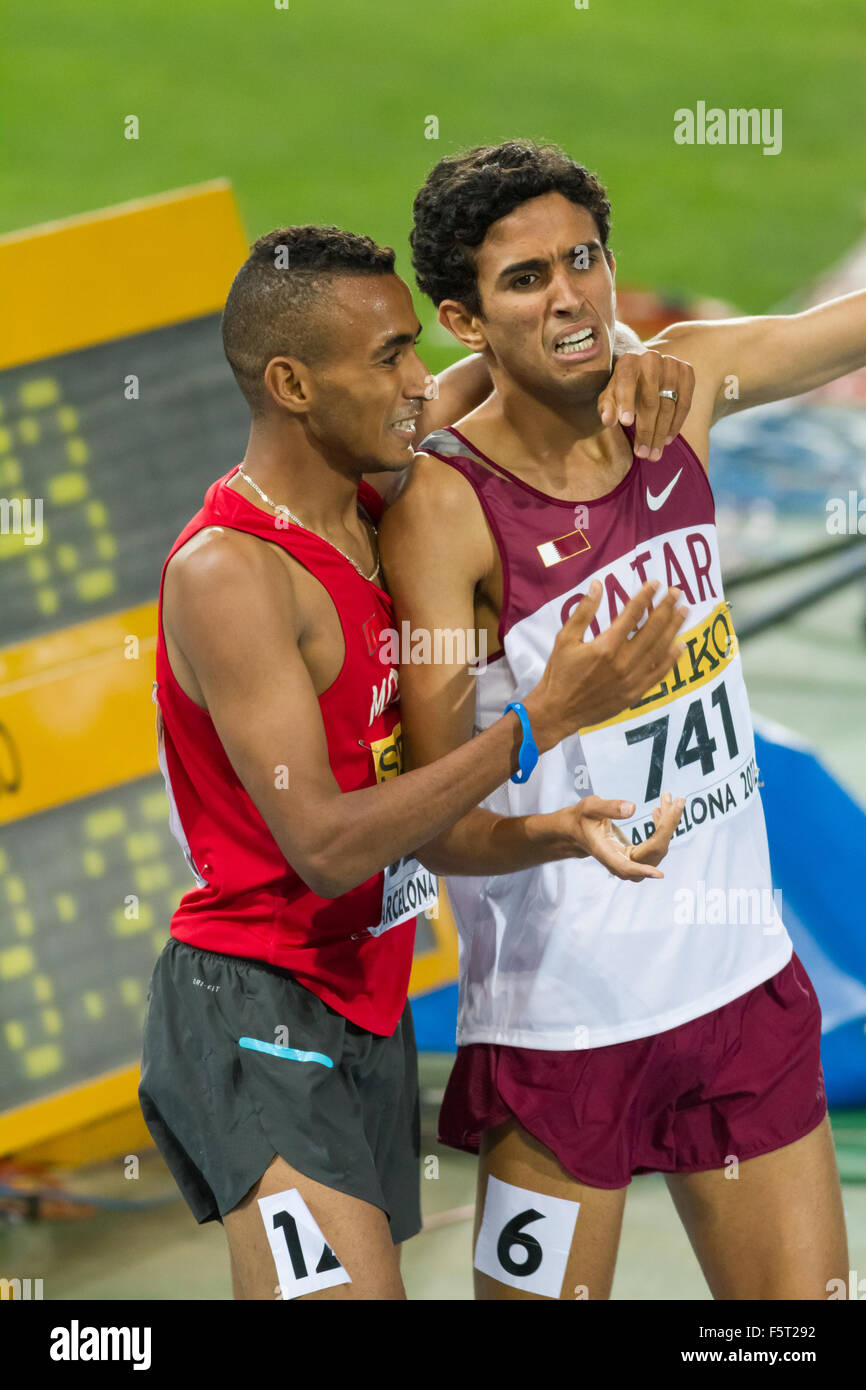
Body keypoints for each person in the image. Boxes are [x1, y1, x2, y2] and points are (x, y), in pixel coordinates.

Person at [138, 223, 694, 1301]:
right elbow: (328, 845)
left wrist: (631, 348)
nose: (417, 383)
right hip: (253, 1006)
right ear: (293, 383)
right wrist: (539, 722)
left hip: (366, 1000)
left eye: (412, 349)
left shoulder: (367, 489)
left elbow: (502, 360)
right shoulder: (233, 576)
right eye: (389, 356)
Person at [380, 139, 865, 1299]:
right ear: (461, 317)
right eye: (522, 280)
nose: (568, 298)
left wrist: (646, 351)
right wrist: (558, 785)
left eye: (581, 260)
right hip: (566, 1033)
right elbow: (435, 818)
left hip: (743, 991)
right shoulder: (442, 513)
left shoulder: (679, 386)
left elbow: (841, 332)